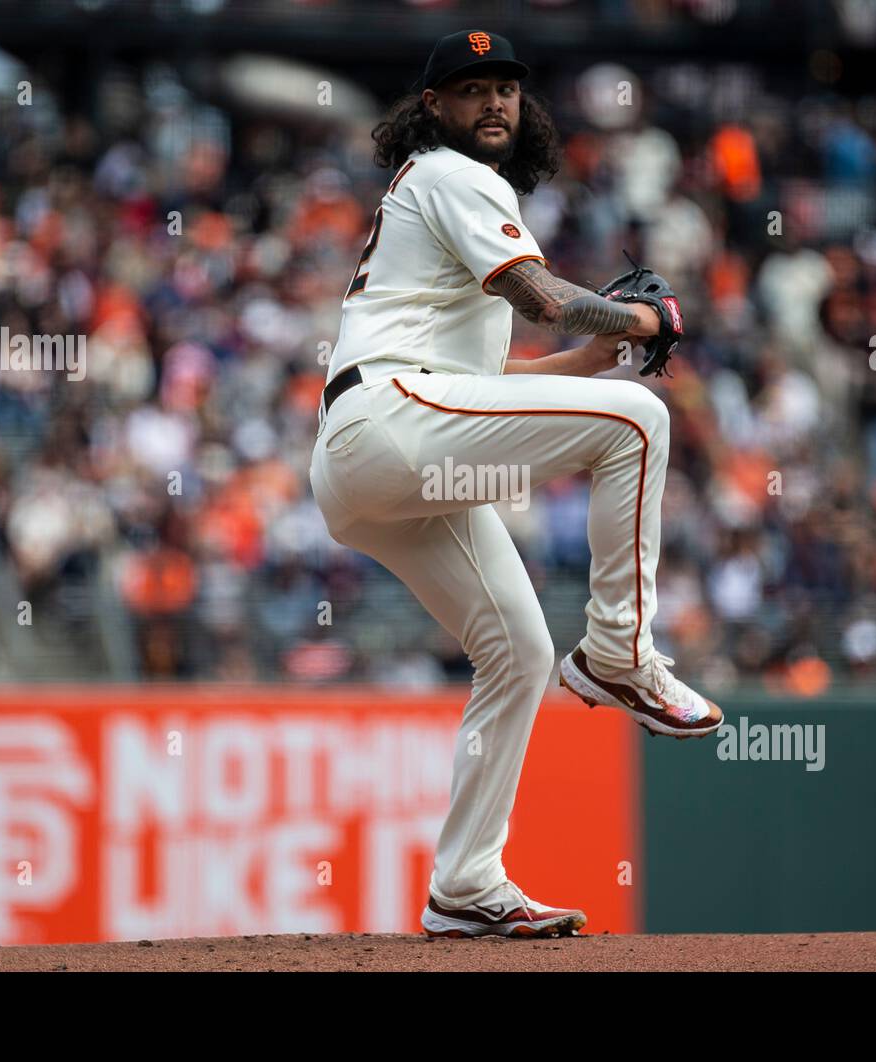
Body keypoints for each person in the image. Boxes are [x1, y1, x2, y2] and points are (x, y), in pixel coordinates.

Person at [308, 30, 723, 939]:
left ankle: (464, 884)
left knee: (520, 654)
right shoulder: (451, 172)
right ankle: (619, 655)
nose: (492, 102)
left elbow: (498, 375)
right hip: (391, 419)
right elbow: (539, 295)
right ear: (433, 108)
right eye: (469, 88)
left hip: (375, 454)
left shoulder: (437, 201)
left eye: (504, 88)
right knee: (641, 419)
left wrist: (595, 355)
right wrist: (645, 316)